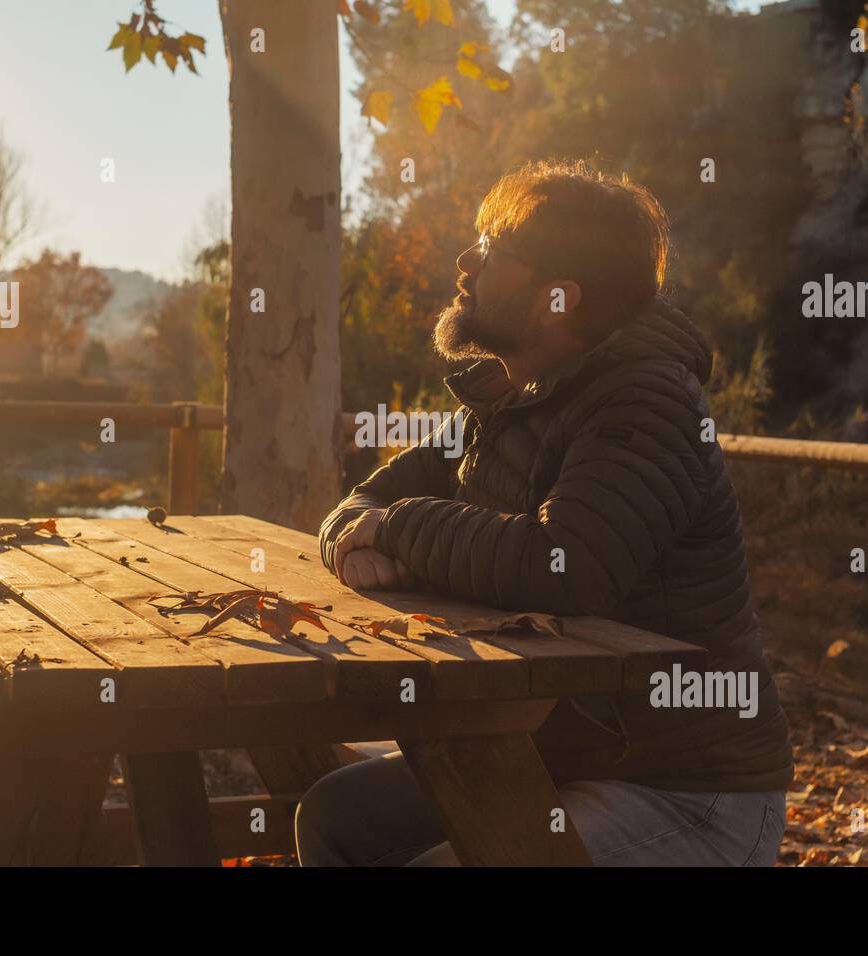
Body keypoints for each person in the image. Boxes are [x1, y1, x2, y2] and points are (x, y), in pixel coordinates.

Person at [298, 159, 793, 866]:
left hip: (686, 794)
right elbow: (364, 500)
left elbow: (567, 564)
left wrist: (398, 527)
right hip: (560, 761)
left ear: (556, 300)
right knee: (337, 817)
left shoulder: (646, 403)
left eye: (495, 250)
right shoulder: (513, 397)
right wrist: (356, 536)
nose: (467, 261)